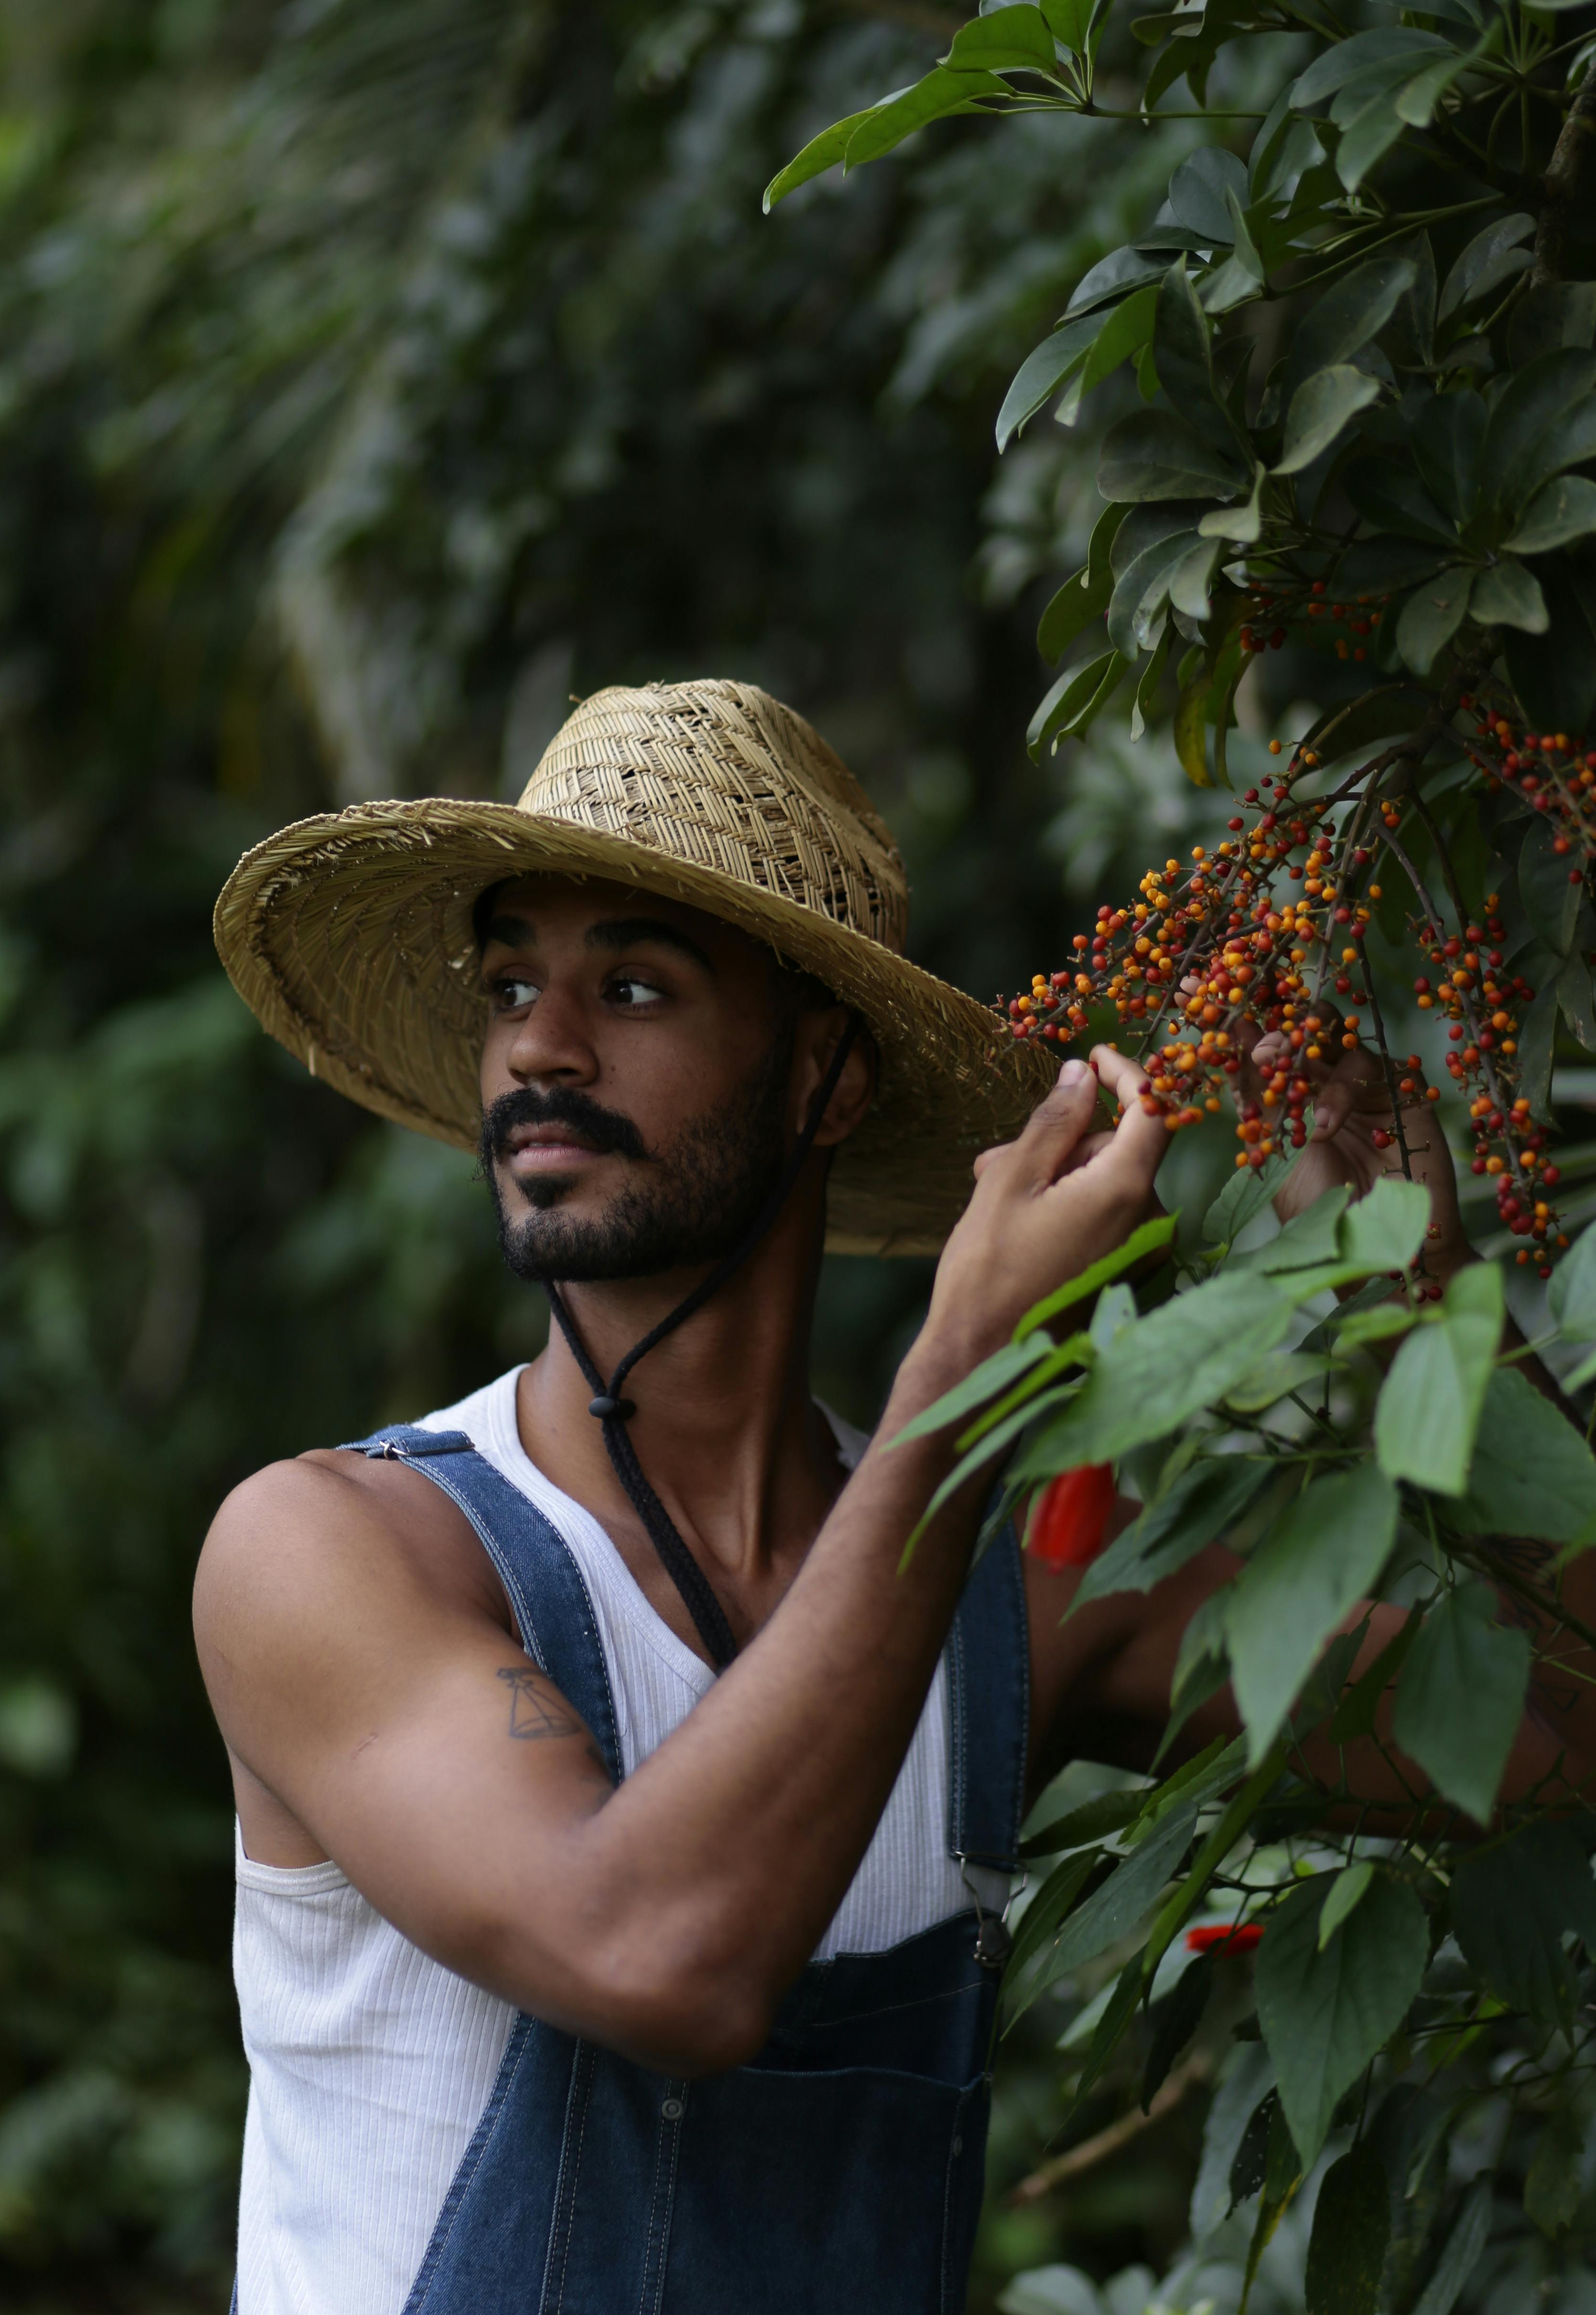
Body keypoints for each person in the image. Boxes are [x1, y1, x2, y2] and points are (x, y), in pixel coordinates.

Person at [199, 679, 1588, 2315]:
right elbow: (660, 1961)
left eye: (633, 984)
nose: (540, 1048)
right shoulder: (334, 1547)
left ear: (827, 1081)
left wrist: (1429, 1300)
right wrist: (966, 1375)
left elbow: (1554, 1734)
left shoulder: (1020, 1595)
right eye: (511, 985)